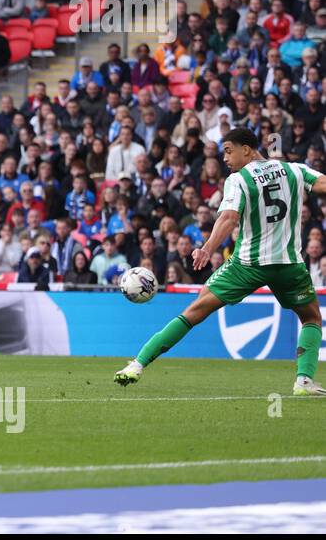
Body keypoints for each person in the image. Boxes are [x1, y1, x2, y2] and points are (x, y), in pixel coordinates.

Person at [115, 128, 326, 396]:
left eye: (228, 150)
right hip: (288, 265)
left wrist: (206, 249)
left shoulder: (239, 180)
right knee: (310, 318)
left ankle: (137, 365)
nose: (224, 158)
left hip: (247, 264)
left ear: (247, 149)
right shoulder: (293, 169)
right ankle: (304, 381)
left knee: (195, 311)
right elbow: (323, 185)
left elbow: (228, 218)